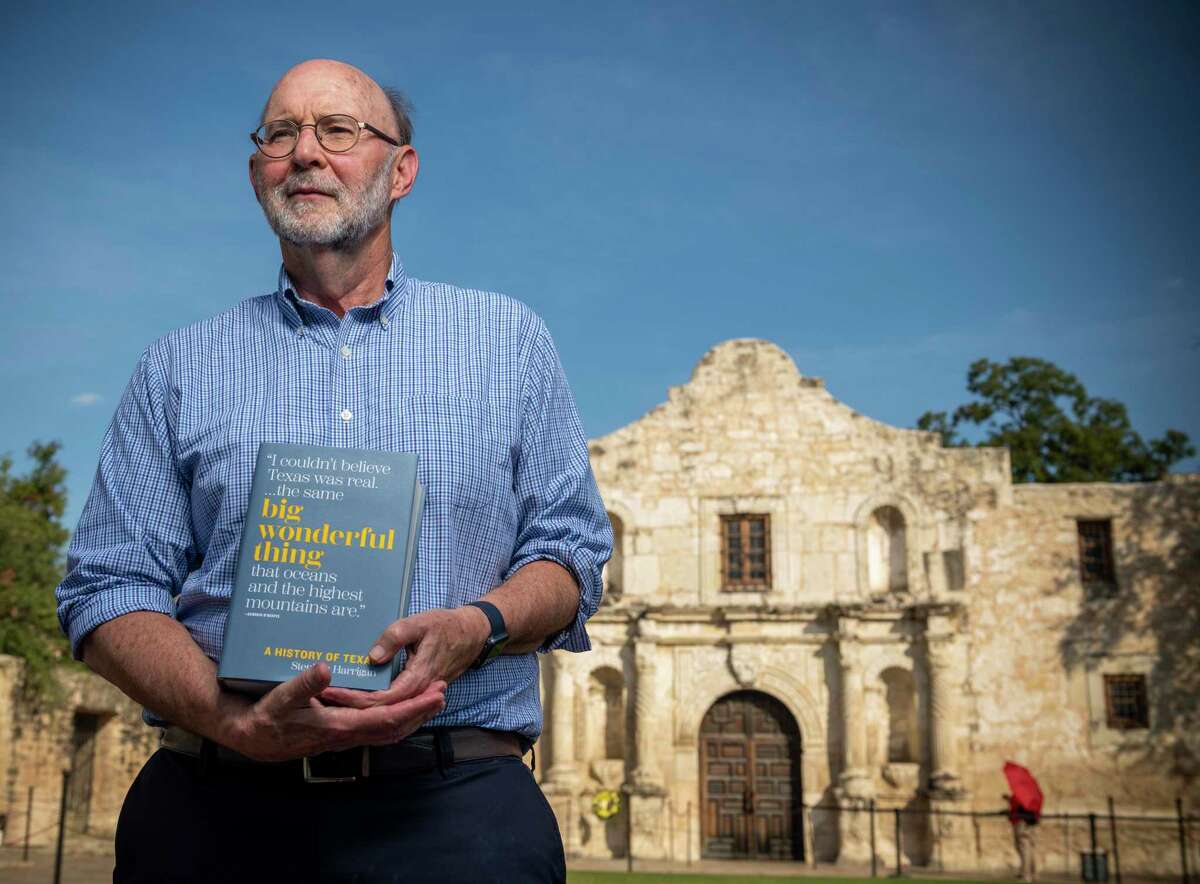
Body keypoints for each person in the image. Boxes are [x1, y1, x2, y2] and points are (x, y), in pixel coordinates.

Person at [56, 59, 611, 884]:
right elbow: (105, 590)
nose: (305, 152)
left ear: (402, 169)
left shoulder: (508, 342)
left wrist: (479, 625)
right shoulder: (177, 366)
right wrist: (230, 718)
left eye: (338, 130)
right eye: (281, 134)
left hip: (456, 811)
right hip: (216, 813)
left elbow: (572, 553)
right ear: (257, 173)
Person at [1005, 792, 1039, 882]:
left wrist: (1010, 800)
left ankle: (1026, 875)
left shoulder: (1020, 796)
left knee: (1024, 848)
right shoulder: (1031, 796)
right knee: (1028, 848)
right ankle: (1032, 873)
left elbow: (1016, 807)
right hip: (1028, 823)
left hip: (1021, 822)